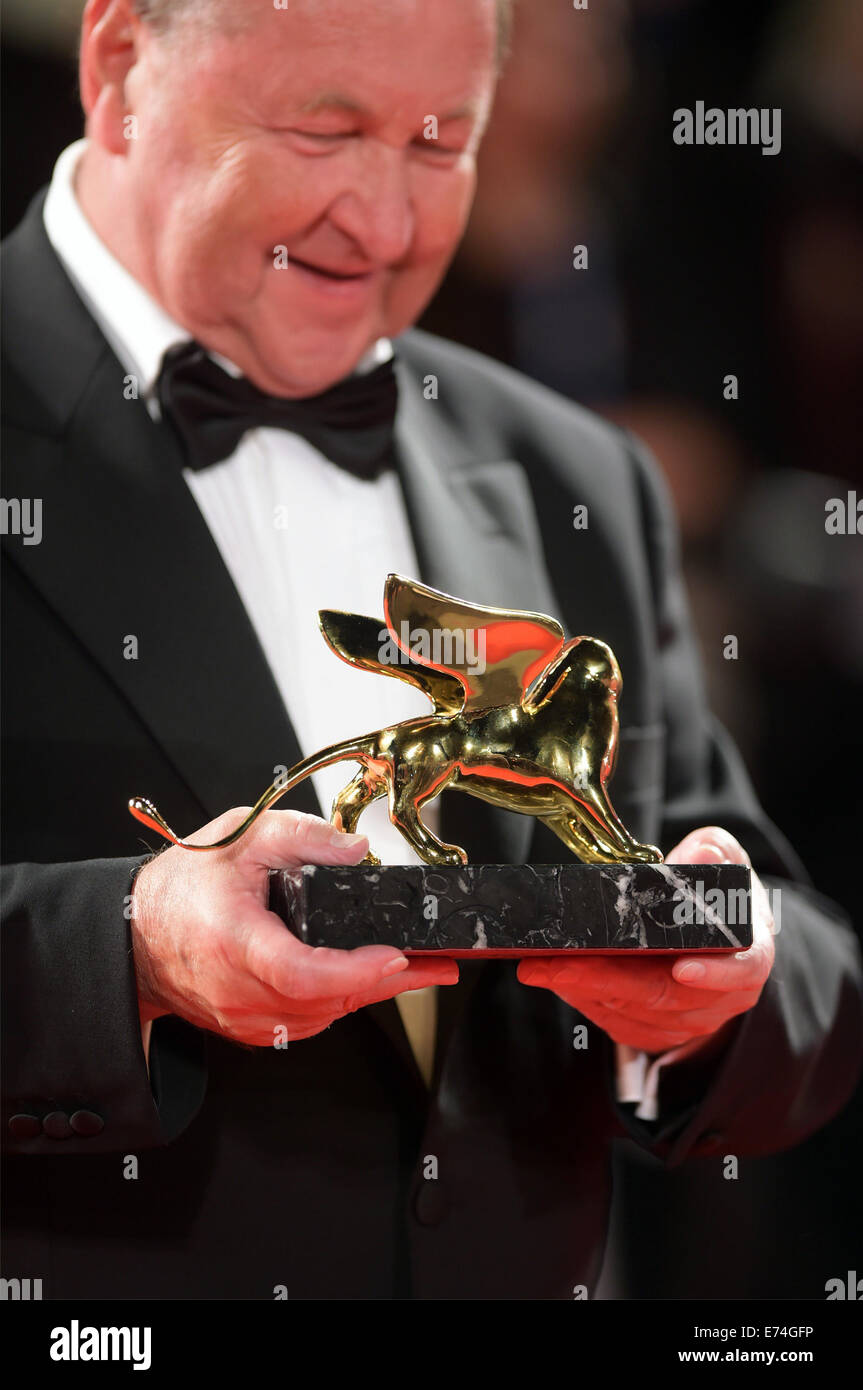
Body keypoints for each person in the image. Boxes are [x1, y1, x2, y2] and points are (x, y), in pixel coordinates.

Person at [2, 0, 860, 1301]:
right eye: (324, 131)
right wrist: (134, 947)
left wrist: (718, 996)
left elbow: (814, 979)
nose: (389, 226)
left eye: (440, 141)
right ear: (121, 65)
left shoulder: (571, 474)